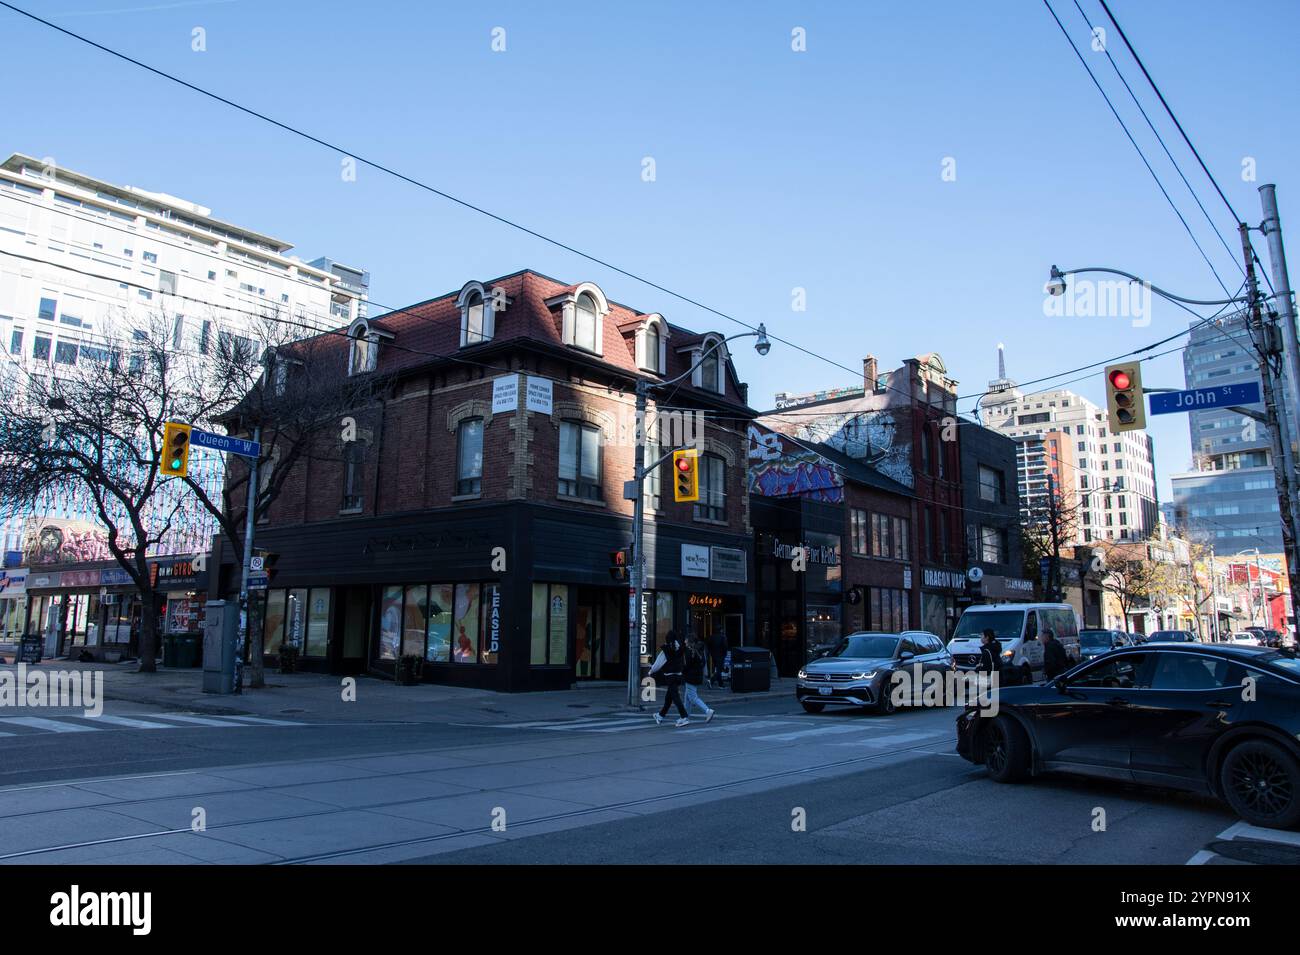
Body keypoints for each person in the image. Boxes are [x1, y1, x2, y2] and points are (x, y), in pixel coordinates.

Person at [648, 631, 690, 726]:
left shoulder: (666, 650)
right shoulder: (680, 648)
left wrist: (651, 671)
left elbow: (658, 664)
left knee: (675, 697)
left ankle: (684, 717)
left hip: (670, 676)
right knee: (669, 697)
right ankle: (660, 715)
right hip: (679, 675)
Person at [681, 637, 716, 723]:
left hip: (690, 677)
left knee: (693, 698)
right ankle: (686, 716)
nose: (685, 643)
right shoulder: (699, 652)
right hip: (696, 677)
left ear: (690, 643)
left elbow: (686, 666)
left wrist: (681, 672)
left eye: (686, 642)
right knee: (687, 698)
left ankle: (707, 711)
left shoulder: (690, 652)